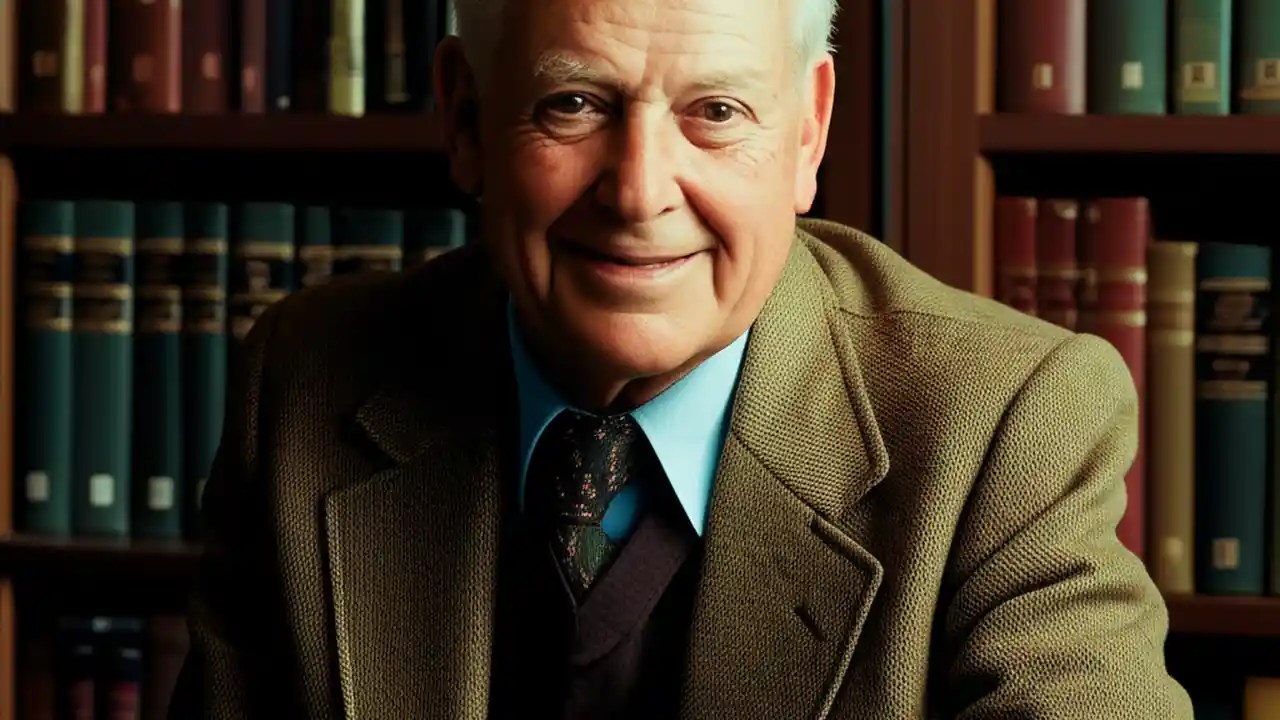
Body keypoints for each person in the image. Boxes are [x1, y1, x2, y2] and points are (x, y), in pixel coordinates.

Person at [169, 0, 1195, 717]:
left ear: (807, 133)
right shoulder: (308, 380)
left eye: (715, 112)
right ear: (466, 117)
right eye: (573, 103)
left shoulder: (999, 421)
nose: (638, 190)